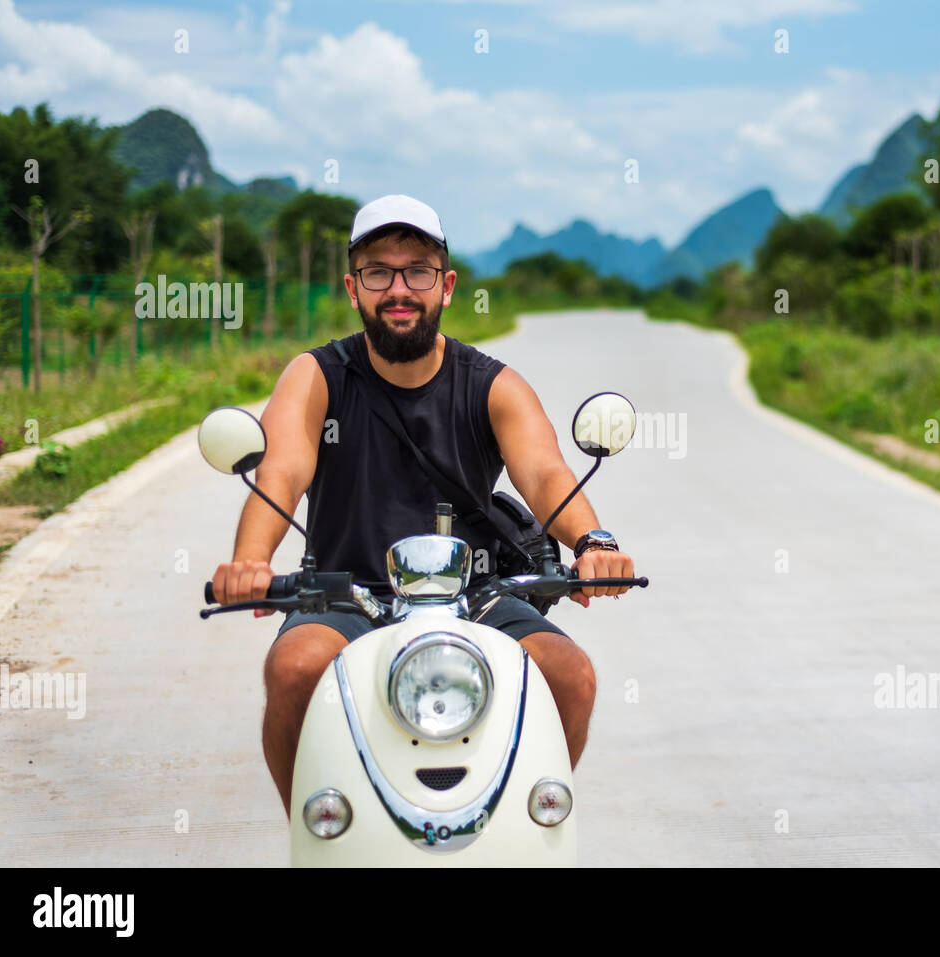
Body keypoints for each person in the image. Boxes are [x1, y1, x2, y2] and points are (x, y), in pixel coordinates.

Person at [209, 194, 636, 817]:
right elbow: (280, 471)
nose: (399, 288)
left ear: (447, 285)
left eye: (418, 271)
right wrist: (249, 561)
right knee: (296, 668)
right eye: (379, 272)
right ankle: (317, 830)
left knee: (570, 675)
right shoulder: (318, 376)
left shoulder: (492, 383)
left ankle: (513, 827)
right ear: (354, 288)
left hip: (480, 595)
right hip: (347, 594)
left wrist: (593, 544)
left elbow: (546, 474)